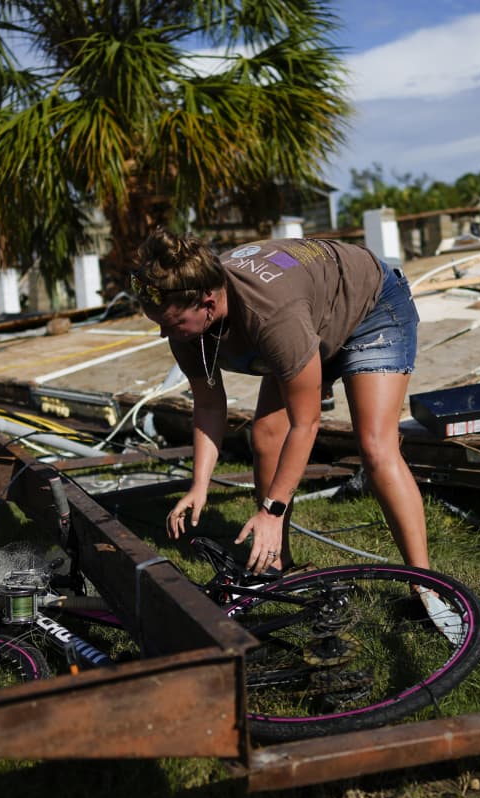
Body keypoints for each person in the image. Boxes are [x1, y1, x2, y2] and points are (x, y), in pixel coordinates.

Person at [133, 229, 430, 576]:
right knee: (266, 436)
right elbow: (210, 406)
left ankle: (425, 583)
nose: (165, 335)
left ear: (209, 304)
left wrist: (272, 511)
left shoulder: (270, 315)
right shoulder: (186, 318)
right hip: (310, 317)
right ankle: (276, 562)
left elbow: (306, 423)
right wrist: (200, 485)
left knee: (375, 446)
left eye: (172, 325)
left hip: (370, 308)